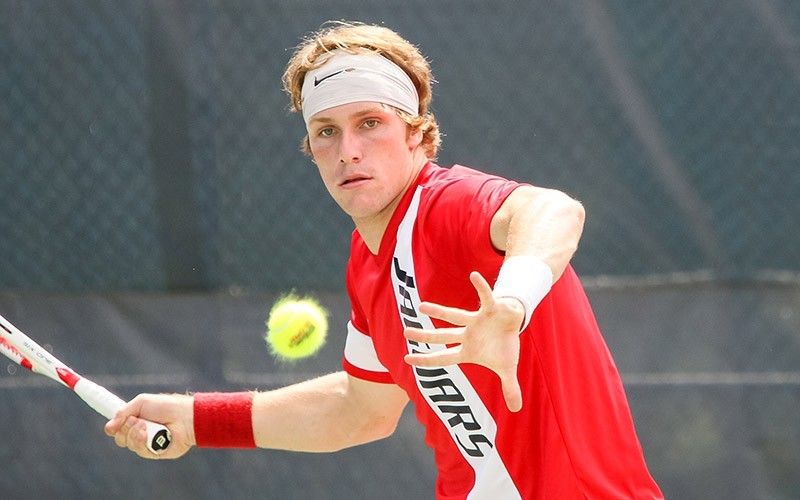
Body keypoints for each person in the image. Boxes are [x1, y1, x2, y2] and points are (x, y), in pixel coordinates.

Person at [106, 21, 663, 499]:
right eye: (327, 132)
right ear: (312, 150)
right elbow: (358, 408)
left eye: (369, 123)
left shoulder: (447, 205)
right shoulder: (369, 260)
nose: (348, 148)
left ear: (417, 132)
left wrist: (512, 305)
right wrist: (197, 419)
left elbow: (553, 211)